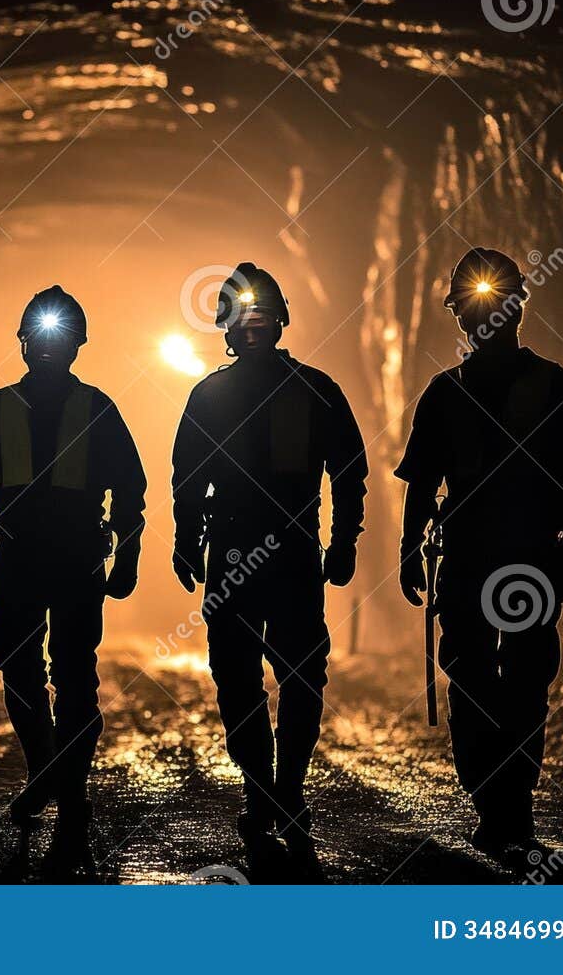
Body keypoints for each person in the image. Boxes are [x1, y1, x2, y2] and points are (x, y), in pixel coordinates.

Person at [395, 247, 563, 856]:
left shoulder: (463, 391)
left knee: (497, 681)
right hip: (515, 562)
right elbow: (423, 480)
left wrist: (413, 548)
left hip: (502, 560)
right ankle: (500, 801)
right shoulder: (536, 388)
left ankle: (503, 804)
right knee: (500, 681)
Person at [171, 263, 367, 872]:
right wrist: (184, 539)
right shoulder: (220, 395)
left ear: (279, 322)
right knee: (241, 678)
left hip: (284, 556)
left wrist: (344, 541)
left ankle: (283, 790)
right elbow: (187, 478)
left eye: (260, 318)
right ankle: (268, 792)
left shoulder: (310, 390)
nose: (252, 328)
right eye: (242, 318)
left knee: (299, 675)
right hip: (244, 556)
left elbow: (349, 469)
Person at [0, 286, 146, 869]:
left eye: (60, 339)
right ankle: (50, 771)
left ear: (76, 346)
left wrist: (128, 553)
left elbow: (130, 488)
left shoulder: (98, 409)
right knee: (16, 663)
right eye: (44, 338)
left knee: (75, 673)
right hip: (22, 555)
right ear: (26, 344)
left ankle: (67, 790)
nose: (51, 348)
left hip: (74, 556)